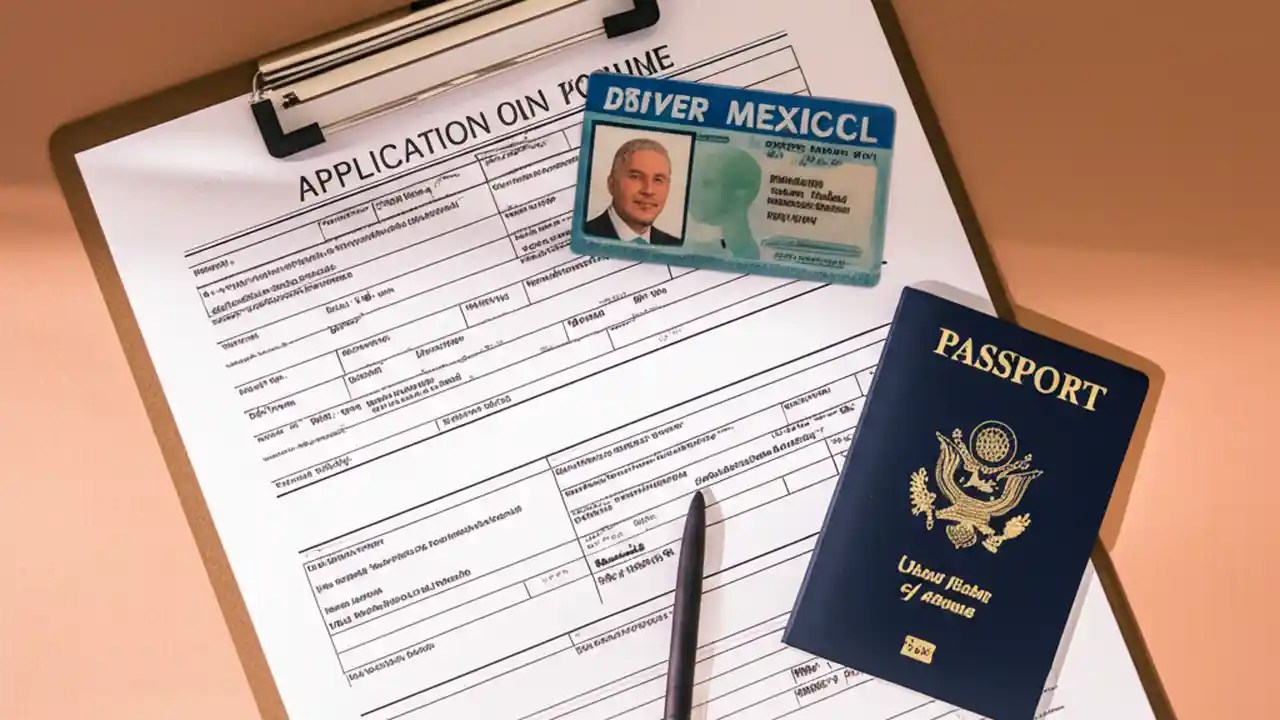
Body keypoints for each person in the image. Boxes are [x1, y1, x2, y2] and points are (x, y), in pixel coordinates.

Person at [585, 137, 683, 245]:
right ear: (611, 184)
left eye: (658, 180)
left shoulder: (675, 245)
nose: (648, 190)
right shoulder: (584, 235)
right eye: (636, 177)